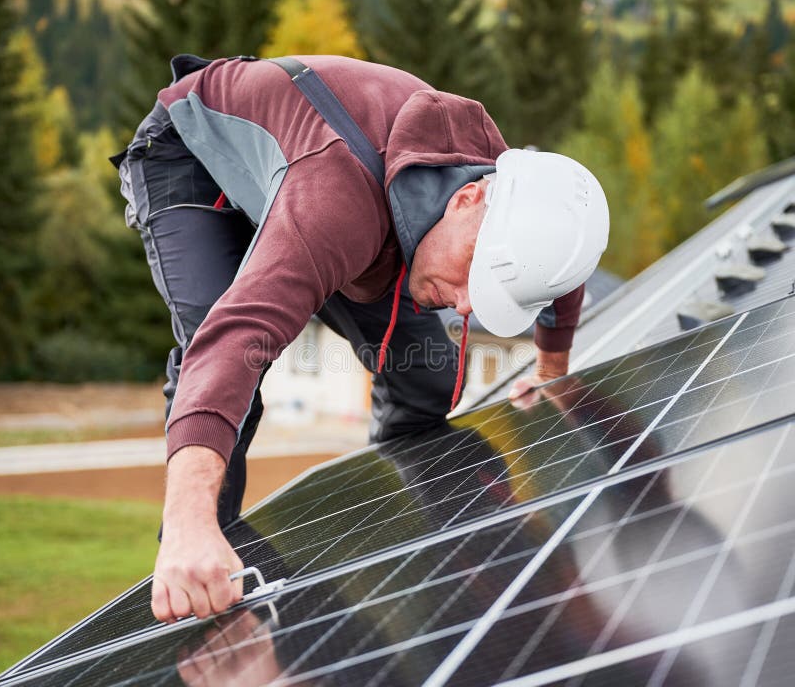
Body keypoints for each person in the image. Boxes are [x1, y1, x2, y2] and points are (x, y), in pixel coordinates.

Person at [112, 54, 609, 624]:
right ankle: (203, 563)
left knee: (429, 377)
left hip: (326, 193)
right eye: (479, 273)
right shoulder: (337, 203)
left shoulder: (513, 192)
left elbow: (562, 262)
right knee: (227, 358)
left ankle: (445, 534)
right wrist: (187, 524)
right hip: (196, 157)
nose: (469, 304)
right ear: (467, 201)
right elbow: (235, 336)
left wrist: (553, 372)